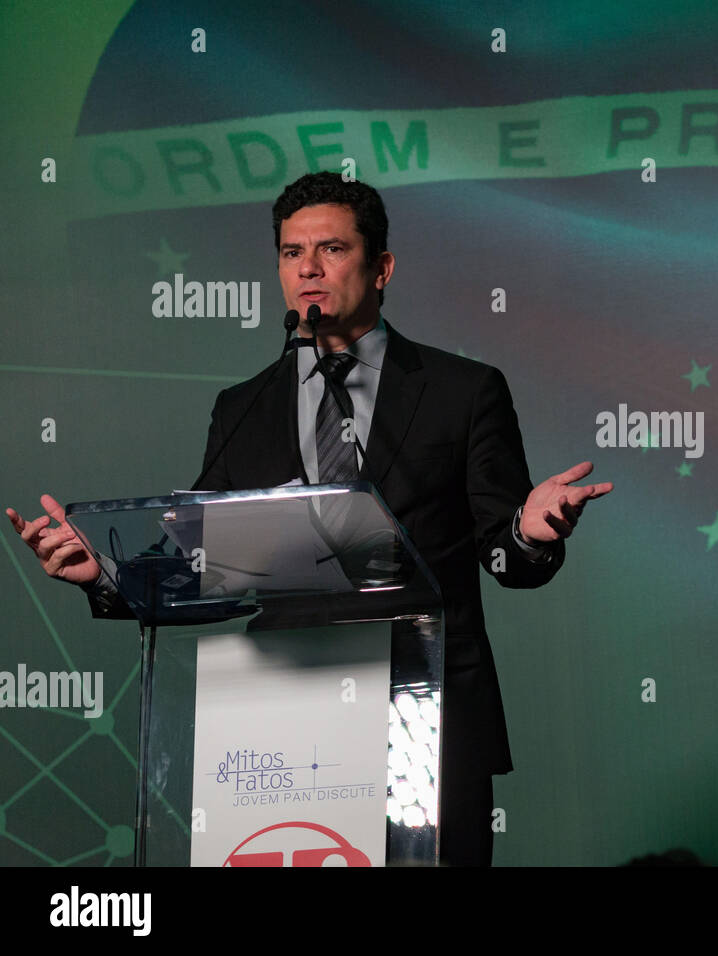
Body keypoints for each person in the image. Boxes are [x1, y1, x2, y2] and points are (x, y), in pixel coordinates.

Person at [6, 171, 612, 866]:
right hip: (280, 717)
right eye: (293, 254)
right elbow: (203, 565)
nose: (309, 270)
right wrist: (104, 574)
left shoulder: (462, 390)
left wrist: (529, 534)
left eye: (331, 250)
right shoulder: (242, 410)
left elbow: (502, 553)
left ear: (381, 268)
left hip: (422, 711)